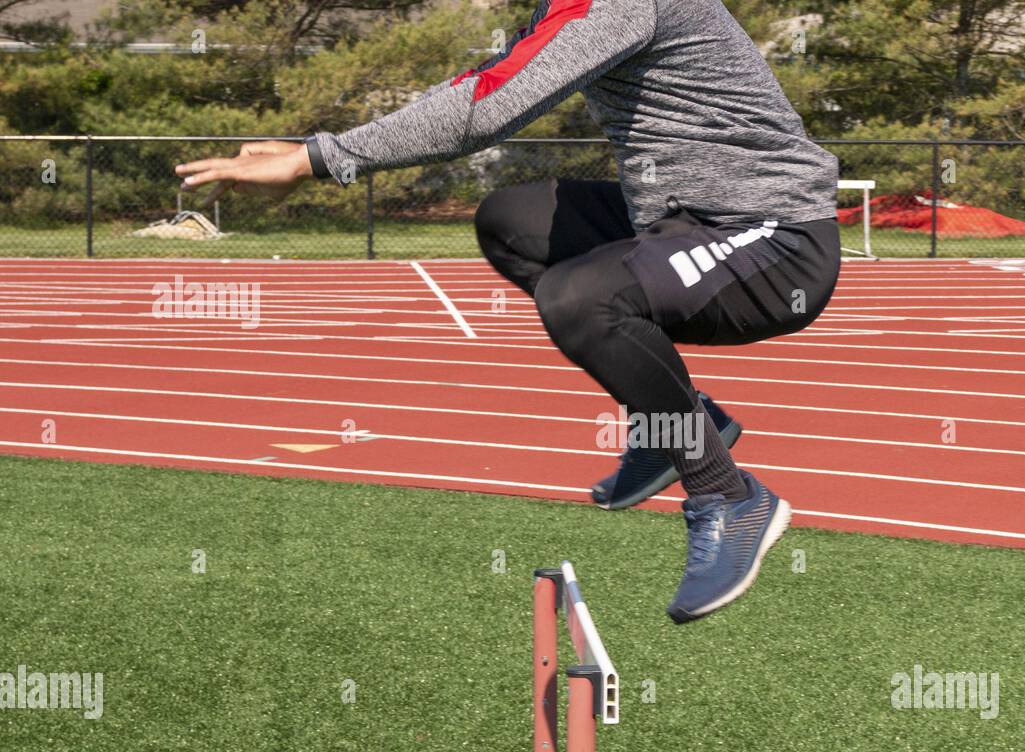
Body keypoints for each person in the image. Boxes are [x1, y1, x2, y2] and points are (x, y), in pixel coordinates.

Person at [176, 0, 842, 623]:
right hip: (684, 222)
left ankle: (727, 496)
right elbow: (488, 79)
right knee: (511, 222)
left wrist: (312, 159)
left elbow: (484, 111)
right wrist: (314, 148)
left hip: (776, 241)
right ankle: (683, 423)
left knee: (580, 300)